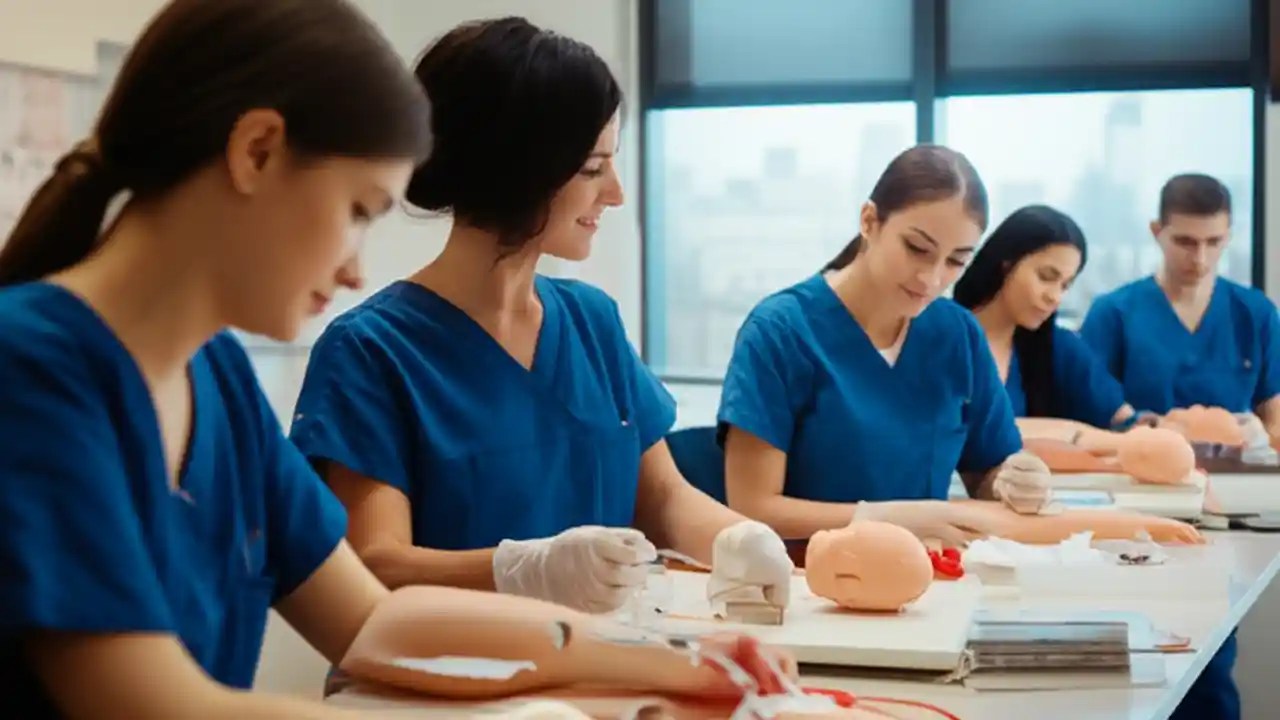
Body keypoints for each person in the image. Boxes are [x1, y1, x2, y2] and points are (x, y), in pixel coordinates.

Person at [0, 2, 792, 718]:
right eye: (354, 213)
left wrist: (674, 661)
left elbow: (376, 620)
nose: (354, 268)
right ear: (257, 151)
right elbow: (152, 701)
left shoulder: (218, 380)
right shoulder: (31, 366)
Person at [289, 17, 793, 617]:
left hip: (596, 667)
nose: (615, 193)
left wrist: (740, 541)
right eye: (591, 169)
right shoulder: (373, 351)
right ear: (519, 168)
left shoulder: (591, 322)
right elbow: (376, 564)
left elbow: (661, 498)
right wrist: (518, 571)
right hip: (443, 687)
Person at [716, 145, 1052, 547]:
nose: (931, 279)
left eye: (956, 261)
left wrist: (1013, 483)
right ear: (869, 221)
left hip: (926, 582)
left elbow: (986, 470)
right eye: (917, 249)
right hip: (806, 588)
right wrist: (873, 518)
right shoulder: (780, 332)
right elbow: (752, 507)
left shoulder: (956, 334)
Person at [1080, 173, 1268, 720]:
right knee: (1134, 662)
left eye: (1214, 242)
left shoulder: (1254, 314)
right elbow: (1088, 422)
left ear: (1230, 235)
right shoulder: (1115, 314)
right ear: (1157, 231)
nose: (1201, 257)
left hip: (1222, 520)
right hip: (1130, 519)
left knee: (1210, 662)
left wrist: (1258, 433)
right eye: (1185, 241)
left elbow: (1275, 421)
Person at [953, 204, 1144, 438]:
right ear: (1006, 264)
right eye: (1046, 277)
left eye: (1065, 285)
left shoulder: (1057, 347)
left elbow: (1128, 424)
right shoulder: (941, 335)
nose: (1055, 297)